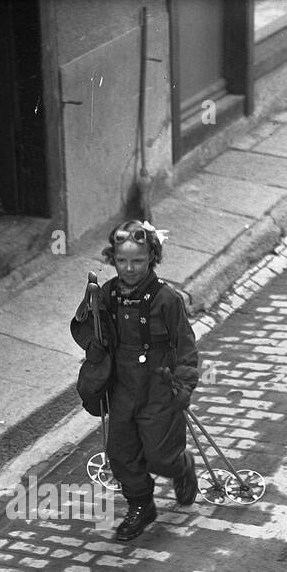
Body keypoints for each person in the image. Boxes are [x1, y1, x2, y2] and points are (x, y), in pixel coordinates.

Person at [70, 220, 199, 541]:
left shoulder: (167, 299)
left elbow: (186, 346)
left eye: (138, 261)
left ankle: (182, 467)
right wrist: (90, 313)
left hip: (159, 386)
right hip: (122, 387)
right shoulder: (107, 294)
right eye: (122, 260)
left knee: (161, 456)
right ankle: (141, 505)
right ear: (112, 259)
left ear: (152, 258)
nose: (129, 268)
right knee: (120, 452)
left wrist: (183, 386)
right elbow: (86, 332)